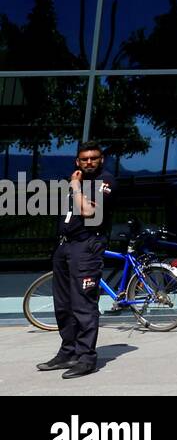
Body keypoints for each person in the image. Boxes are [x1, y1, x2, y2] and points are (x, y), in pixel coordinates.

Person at [37, 141, 115, 379]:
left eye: (93, 158)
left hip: (86, 248)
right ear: (77, 161)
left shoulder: (106, 182)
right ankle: (68, 351)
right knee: (63, 305)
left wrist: (75, 185)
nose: (89, 162)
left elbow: (89, 213)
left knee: (83, 304)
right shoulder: (79, 183)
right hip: (64, 247)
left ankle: (86, 358)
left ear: (101, 160)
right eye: (84, 159)